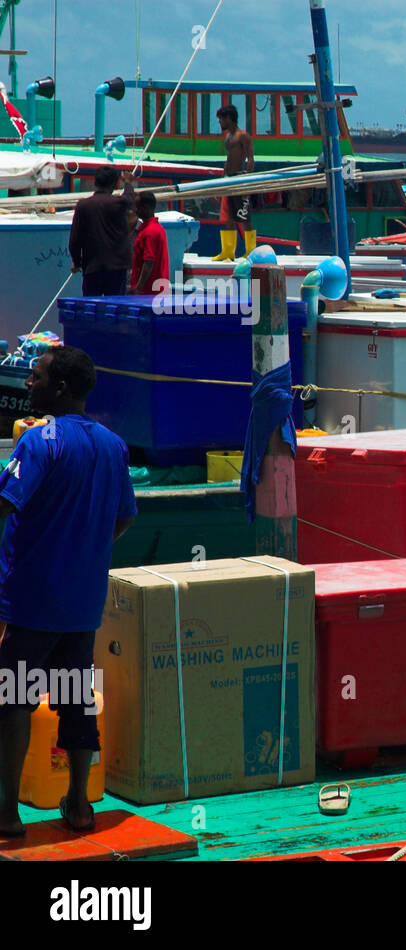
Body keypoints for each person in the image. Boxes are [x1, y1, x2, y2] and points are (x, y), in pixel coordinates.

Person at [0, 347, 136, 836]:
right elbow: (122, 517)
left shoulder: (39, 442)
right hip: (81, 607)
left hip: (33, 603)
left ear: (58, 388)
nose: (28, 385)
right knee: (77, 698)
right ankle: (79, 805)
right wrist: (87, 546)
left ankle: (7, 814)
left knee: (12, 700)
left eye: (35, 378)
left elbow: (5, 501)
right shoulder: (114, 446)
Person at [68, 166, 136, 296]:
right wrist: (128, 183)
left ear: (95, 182)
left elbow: (74, 240)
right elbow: (130, 198)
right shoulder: (118, 203)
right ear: (115, 184)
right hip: (117, 267)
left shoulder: (83, 205)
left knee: (91, 309)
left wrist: (77, 263)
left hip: (92, 267)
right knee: (114, 309)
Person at [214, 103, 255, 260]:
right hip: (228, 179)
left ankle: (250, 251)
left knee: (244, 216)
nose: (219, 122)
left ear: (228, 118)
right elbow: (228, 159)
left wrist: (247, 183)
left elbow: (250, 159)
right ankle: (228, 251)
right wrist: (222, 180)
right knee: (228, 217)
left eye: (221, 119)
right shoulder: (228, 136)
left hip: (240, 177)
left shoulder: (242, 135)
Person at [129, 192, 170, 296]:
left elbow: (149, 261)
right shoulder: (158, 228)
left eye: (138, 207)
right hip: (157, 290)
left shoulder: (149, 232)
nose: (135, 210)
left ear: (146, 208)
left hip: (147, 292)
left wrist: (138, 288)